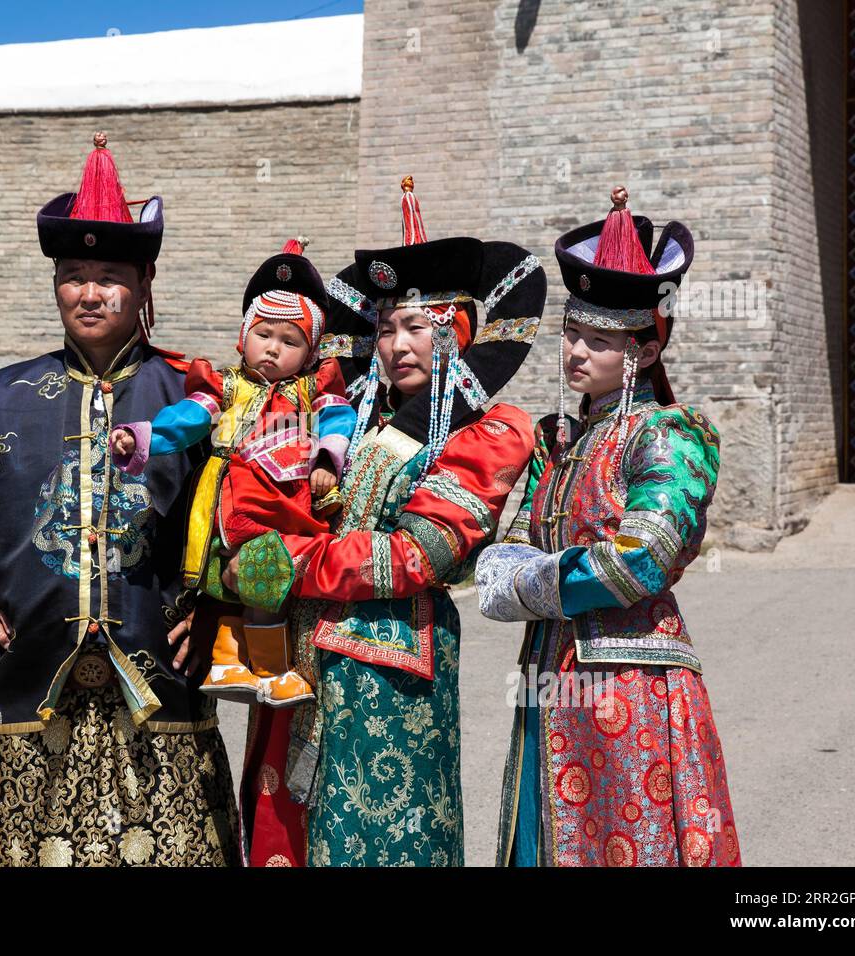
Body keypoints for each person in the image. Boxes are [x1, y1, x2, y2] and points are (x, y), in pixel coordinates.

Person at [0, 132, 239, 867]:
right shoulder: (2, 394)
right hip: (35, 670)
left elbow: (236, 503)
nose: (89, 292)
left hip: (161, 673)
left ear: (145, 281)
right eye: (73, 274)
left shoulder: (192, 394)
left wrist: (219, 602)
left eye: (110, 274)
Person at [223, 177, 546, 865]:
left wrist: (294, 561)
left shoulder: (490, 432)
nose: (396, 344)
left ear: (456, 335)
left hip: (393, 673)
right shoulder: (347, 426)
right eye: (385, 326)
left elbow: (418, 554)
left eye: (416, 327)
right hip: (303, 660)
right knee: (293, 831)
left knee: (385, 838)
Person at [475, 186, 740, 867]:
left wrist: (534, 582)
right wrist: (505, 563)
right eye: (571, 335)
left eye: (599, 341)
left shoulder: (669, 434)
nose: (576, 354)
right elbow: (517, 535)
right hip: (548, 667)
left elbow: (646, 556)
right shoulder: (558, 438)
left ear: (644, 352)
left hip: (631, 678)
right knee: (546, 836)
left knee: (620, 841)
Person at [109, 237, 356, 708]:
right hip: (224, 505)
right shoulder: (224, 386)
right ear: (243, 337)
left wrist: (327, 458)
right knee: (223, 579)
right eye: (263, 335)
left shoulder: (312, 391)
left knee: (265, 577)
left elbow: (339, 418)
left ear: (309, 354)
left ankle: (272, 667)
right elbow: (186, 420)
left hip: (283, 508)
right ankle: (226, 662)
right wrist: (141, 437)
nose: (272, 350)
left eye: (290, 342)